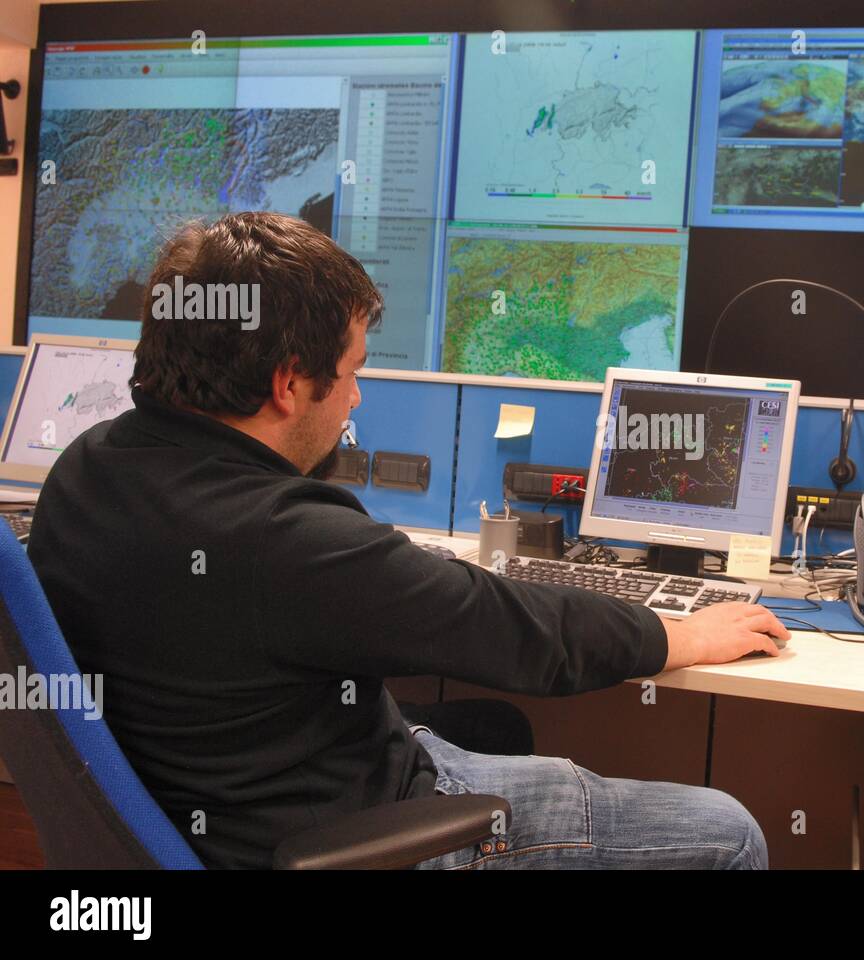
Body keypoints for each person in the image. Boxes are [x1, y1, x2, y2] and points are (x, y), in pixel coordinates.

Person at [26, 211, 789, 869]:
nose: (357, 395)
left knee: (495, 728)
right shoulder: (287, 540)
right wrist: (678, 635)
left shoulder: (84, 470)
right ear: (288, 384)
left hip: (229, 800)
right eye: (352, 370)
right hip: (347, 832)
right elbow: (515, 631)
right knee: (727, 832)